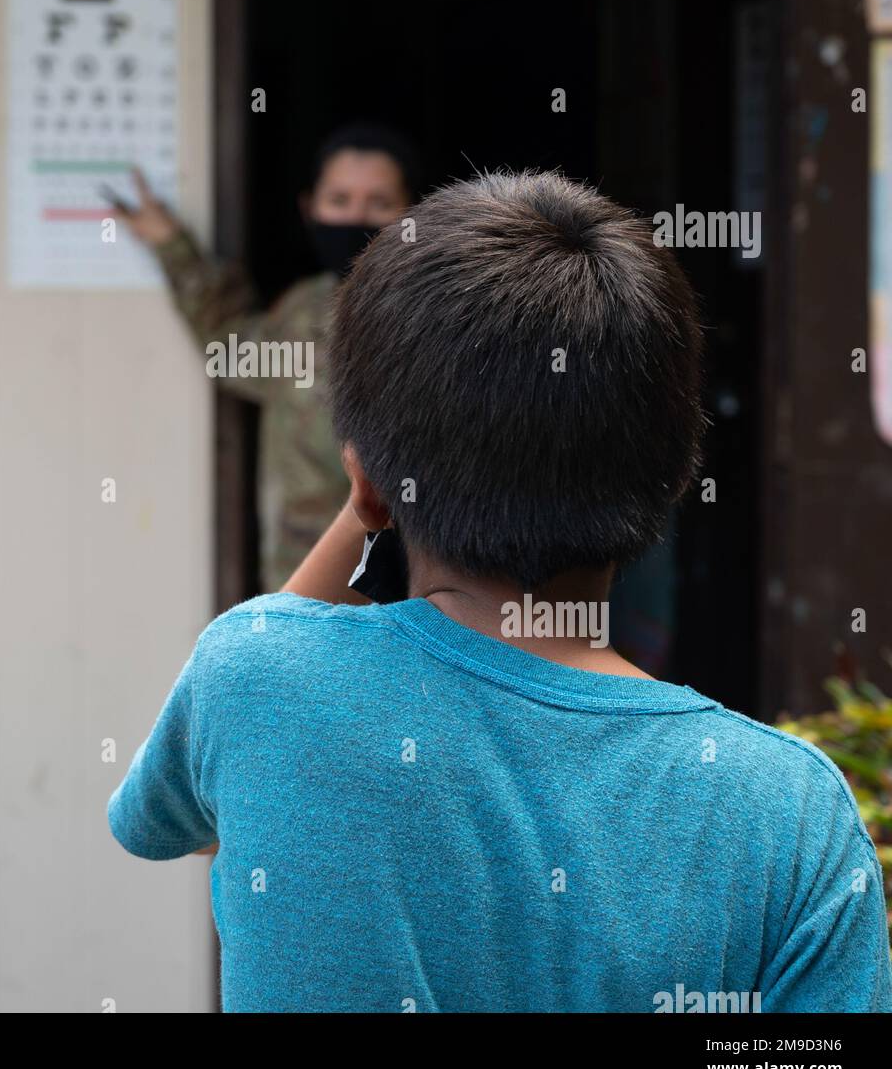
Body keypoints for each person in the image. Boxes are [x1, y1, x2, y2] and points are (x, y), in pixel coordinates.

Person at [108, 171, 892, 1013]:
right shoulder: (786, 807)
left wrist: (371, 498)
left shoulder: (259, 679)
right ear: (673, 482)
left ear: (367, 488)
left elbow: (158, 825)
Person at [117, 124, 419, 592]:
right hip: (306, 590)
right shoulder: (302, 311)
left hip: (418, 594)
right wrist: (171, 245)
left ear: (413, 214)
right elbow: (232, 347)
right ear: (310, 209)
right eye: (339, 201)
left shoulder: (449, 317)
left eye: (379, 203)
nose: (357, 217)